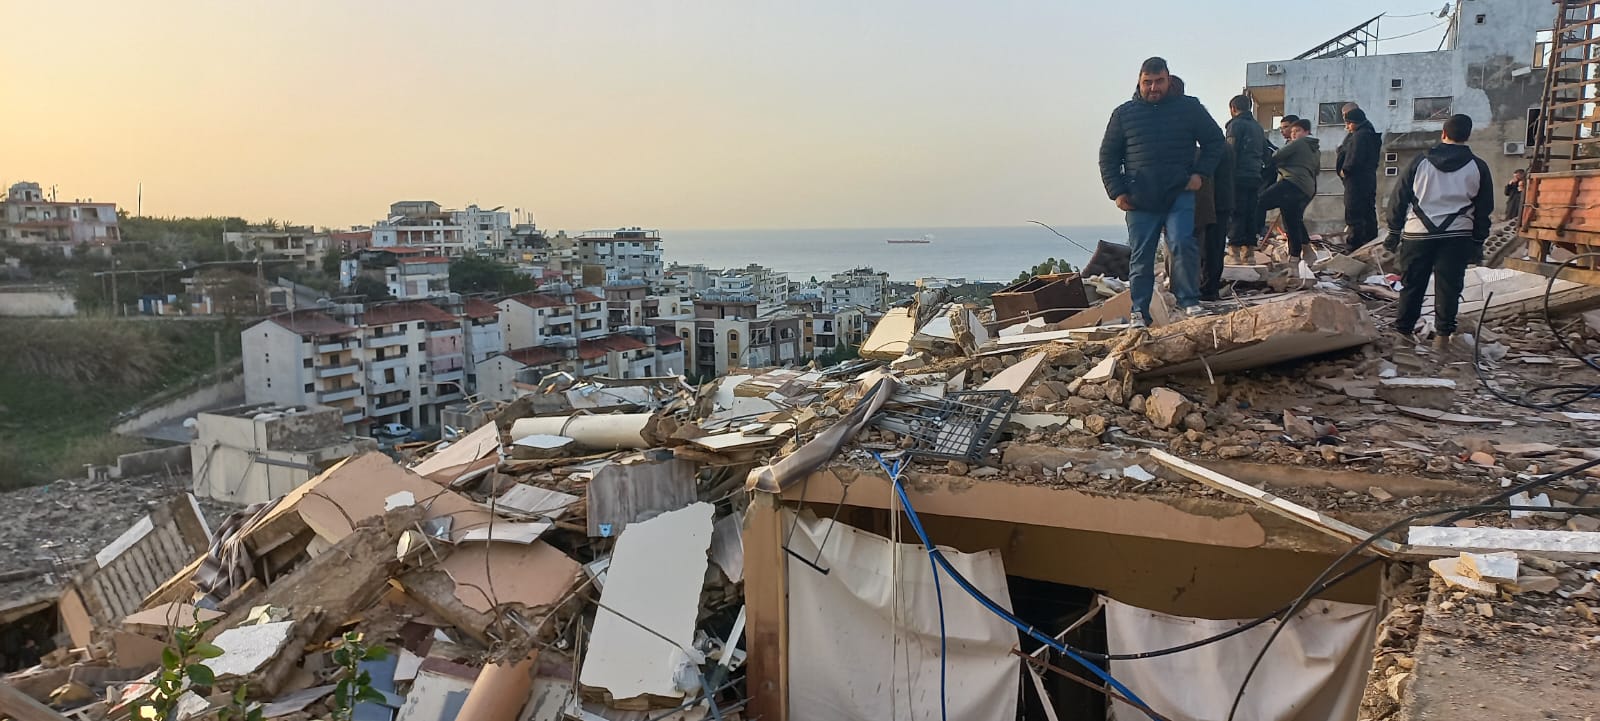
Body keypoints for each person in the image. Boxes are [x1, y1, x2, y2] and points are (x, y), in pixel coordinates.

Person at [1098, 57, 1225, 327]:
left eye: (1159, 81)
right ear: (1139, 81)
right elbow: (1108, 156)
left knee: (1182, 244)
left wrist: (1200, 174)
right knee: (1142, 255)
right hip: (1139, 198)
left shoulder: (1189, 108)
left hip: (1179, 192)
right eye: (1148, 82)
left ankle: (1189, 301)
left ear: (1168, 80)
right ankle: (1139, 312)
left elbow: (1215, 141)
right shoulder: (1124, 114)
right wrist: (1117, 192)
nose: (1153, 87)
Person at [1386, 114, 1494, 350]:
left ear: (1443, 134)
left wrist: (1394, 231)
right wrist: (1478, 241)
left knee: (1412, 285)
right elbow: (1484, 208)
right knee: (1449, 287)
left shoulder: (1419, 162)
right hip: (1457, 236)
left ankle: (1402, 336)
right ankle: (1442, 339)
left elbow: (1399, 197)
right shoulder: (1478, 166)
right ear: (1468, 135)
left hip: (1417, 234)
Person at [1258, 118, 1319, 260]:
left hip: (1292, 183)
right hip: (1307, 188)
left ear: (1307, 131)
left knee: (1259, 202)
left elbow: (1276, 156)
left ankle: (1252, 237)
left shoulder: (1298, 144)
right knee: (1293, 219)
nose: (1293, 134)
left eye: (1297, 131)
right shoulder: (1315, 149)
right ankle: (1300, 253)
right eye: (1292, 131)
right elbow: (1316, 170)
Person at [1225, 95, 1267, 264]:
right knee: (1251, 213)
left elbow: (1231, 151)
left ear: (1233, 109)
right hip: (1255, 175)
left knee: (1236, 212)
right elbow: (1266, 152)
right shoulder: (1257, 127)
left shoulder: (1235, 126)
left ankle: (1233, 252)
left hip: (1238, 176)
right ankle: (1248, 253)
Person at [1338, 107, 1382, 251]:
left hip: (1356, 179)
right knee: (1368, 209)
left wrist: (1346, 170)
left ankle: (1354, 243)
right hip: (1367, 178)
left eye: (1349, 123)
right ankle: (1370, 239)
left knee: (1354, 211)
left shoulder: (1360, 136)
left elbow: (1355, 156)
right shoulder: (1369, 133)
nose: (1347, 126)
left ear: (1356, 121)